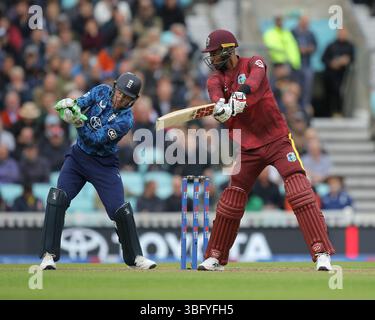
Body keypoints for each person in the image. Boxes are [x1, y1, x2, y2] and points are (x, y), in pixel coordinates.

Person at [198, 29, 335, 272]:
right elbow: (216, 94)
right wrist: (221, 108)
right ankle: (215, 256)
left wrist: (240, 95)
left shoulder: (254, 63)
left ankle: (321, 253)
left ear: (229, 49)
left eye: (215, 52)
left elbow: (255, 81)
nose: (212, 57)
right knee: (231, 199)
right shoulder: (215, 79)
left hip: (277, 139)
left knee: (299, 191)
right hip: (248, 147)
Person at [39, 72, 157, 270]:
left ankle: (136, 257)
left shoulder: (125, 120)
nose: (120, 98)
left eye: (127, 97)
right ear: (114, 87)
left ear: (134, 100)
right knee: (58, 198)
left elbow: (95, 138)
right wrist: (70, 106)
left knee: (120, 210)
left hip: (104, 164)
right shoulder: (102, 91)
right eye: (119, 92)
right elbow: (81, 102)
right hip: (78, 158)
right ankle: (48, 256)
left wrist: (78, 122)